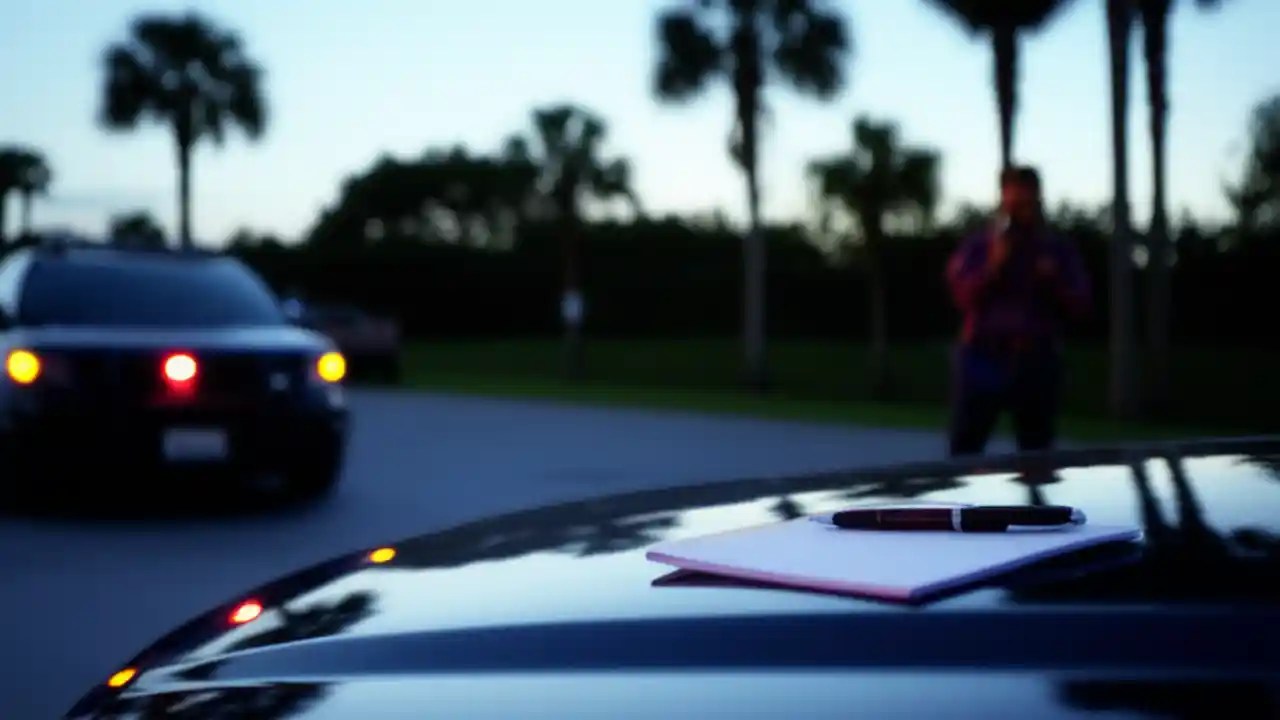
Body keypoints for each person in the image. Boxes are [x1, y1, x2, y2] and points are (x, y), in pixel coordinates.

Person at [945, 166, 1092, 457]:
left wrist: (1053, 281)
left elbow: (1081, 304)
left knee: (1037, 454)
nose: (1022, 211)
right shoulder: (979, 246)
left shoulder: (1056, 249)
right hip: (983, 356)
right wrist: (993, 267)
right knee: (965, 450)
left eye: (1028, 202)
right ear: (1003, 201)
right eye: (1015, 204)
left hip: (1036, 359)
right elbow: (961, 296)